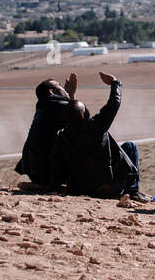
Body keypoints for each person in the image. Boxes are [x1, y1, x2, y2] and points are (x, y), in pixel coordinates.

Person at [49, 72, 146, 201]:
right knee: (130, 147)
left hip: (80, 188)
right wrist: (115, 83)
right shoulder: (96, 126)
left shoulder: (62, 136)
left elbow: (74, 117)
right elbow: (113, 104)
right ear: (84, 115)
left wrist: (71, 96)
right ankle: (132, 190)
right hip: (108, 189)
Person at [15, 73, 77, 187]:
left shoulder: (43, 108)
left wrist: (69, 98)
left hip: (36, 172)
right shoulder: (58, 106)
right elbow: (83, 120)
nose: (64, 89)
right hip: (49, 173)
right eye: (60, 87)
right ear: (51, 92)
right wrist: (71, 96)